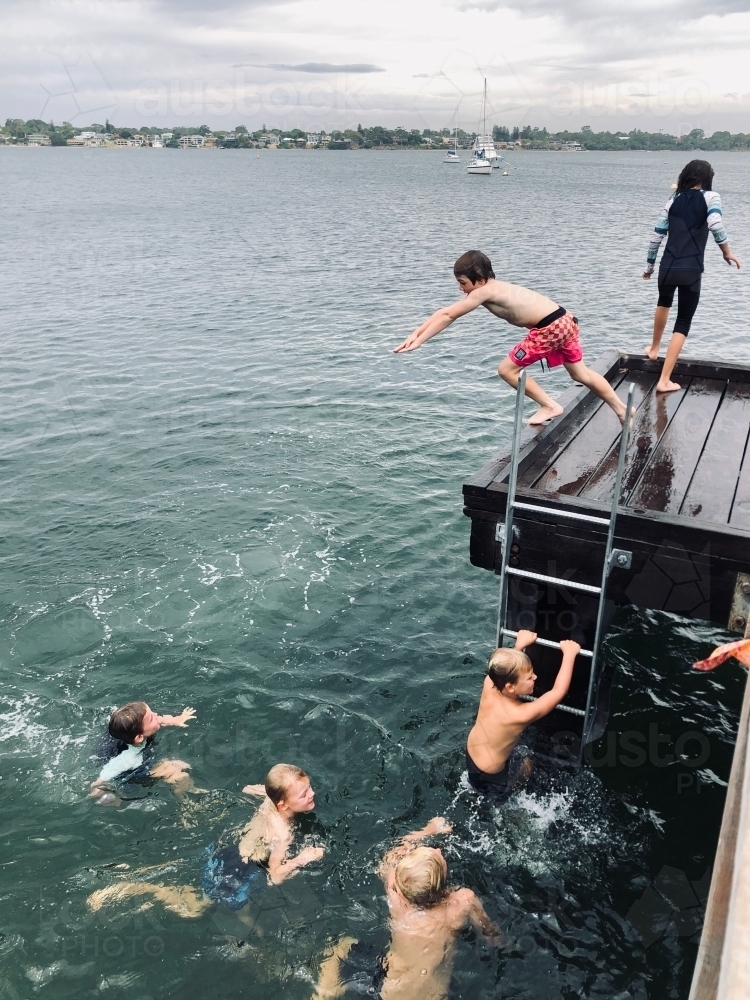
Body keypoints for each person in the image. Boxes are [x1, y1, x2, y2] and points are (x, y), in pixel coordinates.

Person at [393, 250, 630, 426]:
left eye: (463, 283)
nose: (461, 289)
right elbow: (442, 312)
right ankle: (622, 410)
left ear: (478, 277)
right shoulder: (497, 286)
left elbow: (448, 315)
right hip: (566, 320)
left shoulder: (483, 291)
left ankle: (550, 405)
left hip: (548, 328)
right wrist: (414, 335)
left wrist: (421, 342)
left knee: (507, 371)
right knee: (581, 373)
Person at [87, 763, 324, 917]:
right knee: (195, 908)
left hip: (225, 851)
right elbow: (275, 876)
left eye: (310, 787)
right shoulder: (283, 833)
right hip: (239, 874)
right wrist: (303, 858)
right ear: (283, 803)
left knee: (183, 881)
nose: (312, 793)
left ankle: (130, 881)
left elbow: (247, 790)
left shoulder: (269, 800)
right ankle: (130, 889)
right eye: (304, 794)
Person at [311, 817, 500, 1000]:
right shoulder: (462, 901)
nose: (439, 850)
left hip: (385, 993)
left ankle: (322, 996)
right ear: (441, 878)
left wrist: (425, 831)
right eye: (438, 856)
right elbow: (491, 936)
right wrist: (504, 943)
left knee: (340, 947)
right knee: (445, 977)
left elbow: (389, 858)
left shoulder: (397, 898)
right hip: (437, 996)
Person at [644, 158, 741, 393]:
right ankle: (664, 380)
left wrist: (649, 266)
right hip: (691, 269)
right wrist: (726, 252)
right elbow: (716, 224)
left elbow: (657, 235)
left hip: (667, 267)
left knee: (663, 302)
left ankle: (654, 349)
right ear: (706, 178)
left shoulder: (673, 200)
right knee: (683, 322)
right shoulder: (711, 197)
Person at [466, 630, 580, 798]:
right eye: (529, 677)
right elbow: (558, 692)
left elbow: (504, 668)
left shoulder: (490, 684)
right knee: (525, 769)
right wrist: (569, 655)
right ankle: (512, 793)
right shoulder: (520, 714)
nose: (535, 676)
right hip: (492, 777)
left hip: (471, 756)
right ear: (511, 687)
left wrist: (519, 645)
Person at [88, 700, 199, 805]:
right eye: (151, 718)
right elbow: (106, 775)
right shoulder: (128, 758)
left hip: (125, 748)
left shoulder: (138, 730)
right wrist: (97, 787)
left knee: (180, 766)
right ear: (139, 737)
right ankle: (187, 804)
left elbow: (160, 720)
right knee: (179, 772)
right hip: (132, 771)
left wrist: (178, 719)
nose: (156, 715)